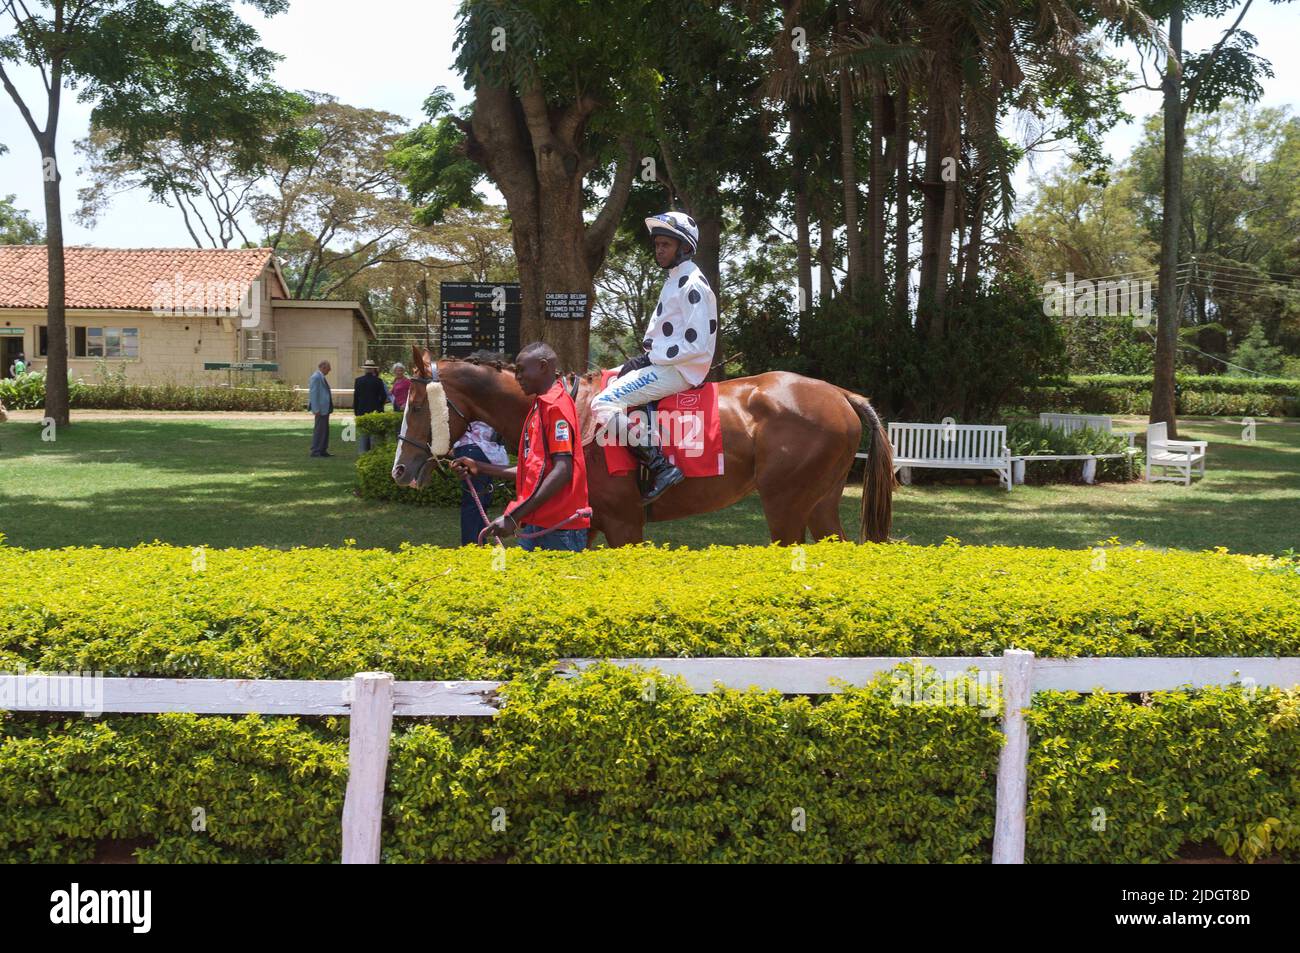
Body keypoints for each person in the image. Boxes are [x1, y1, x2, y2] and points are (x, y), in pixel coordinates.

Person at [590, 210, 717, 503]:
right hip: (666, 362)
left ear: (684, 248)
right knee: (610, 379)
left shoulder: (692, 283)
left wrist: (652, 358)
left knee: (603, 402)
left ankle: (661, 466)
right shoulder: (676, 277)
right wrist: (648, 357)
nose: (659, 250)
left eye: (666, 245)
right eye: (657, 244)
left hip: (681, 369)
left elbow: (696, 343)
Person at [450, 342, 589, 552]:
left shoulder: (555, 406)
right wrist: (479, 467)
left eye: (522, 370)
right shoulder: (539, 406)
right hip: (538, 522)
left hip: (559, 529)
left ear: (543, 367)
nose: (518, 377)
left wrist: (513, 517)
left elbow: (563, 470)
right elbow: (533, 471)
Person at [451, 420, 510, 546]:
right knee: (475, 503)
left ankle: (478, 543)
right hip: (473, 446)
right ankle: (471, 546)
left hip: (481, 448)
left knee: (481, 502)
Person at [352, 359, 388, 453]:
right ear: (373, 370)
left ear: (365, 369)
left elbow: (356, 397)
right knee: (374, 434)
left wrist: (356, 411)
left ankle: (363, 453)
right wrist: (379, 406)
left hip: (362, 410)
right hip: (375, 410)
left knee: (363, 434)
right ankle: (373, 453)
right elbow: (384, 396)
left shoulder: (358, 381)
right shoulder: (378, 381)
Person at [308, 360, 333, 457]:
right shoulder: (316, 377)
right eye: (328, 368)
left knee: (324, 430)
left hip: (324, 409)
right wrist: (316, 409)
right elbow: (313, 394)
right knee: (319, 430)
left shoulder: (320, 377)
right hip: (320, 409)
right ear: (323, 367)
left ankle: (323, 450)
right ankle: (316, 451)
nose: (330, 370)